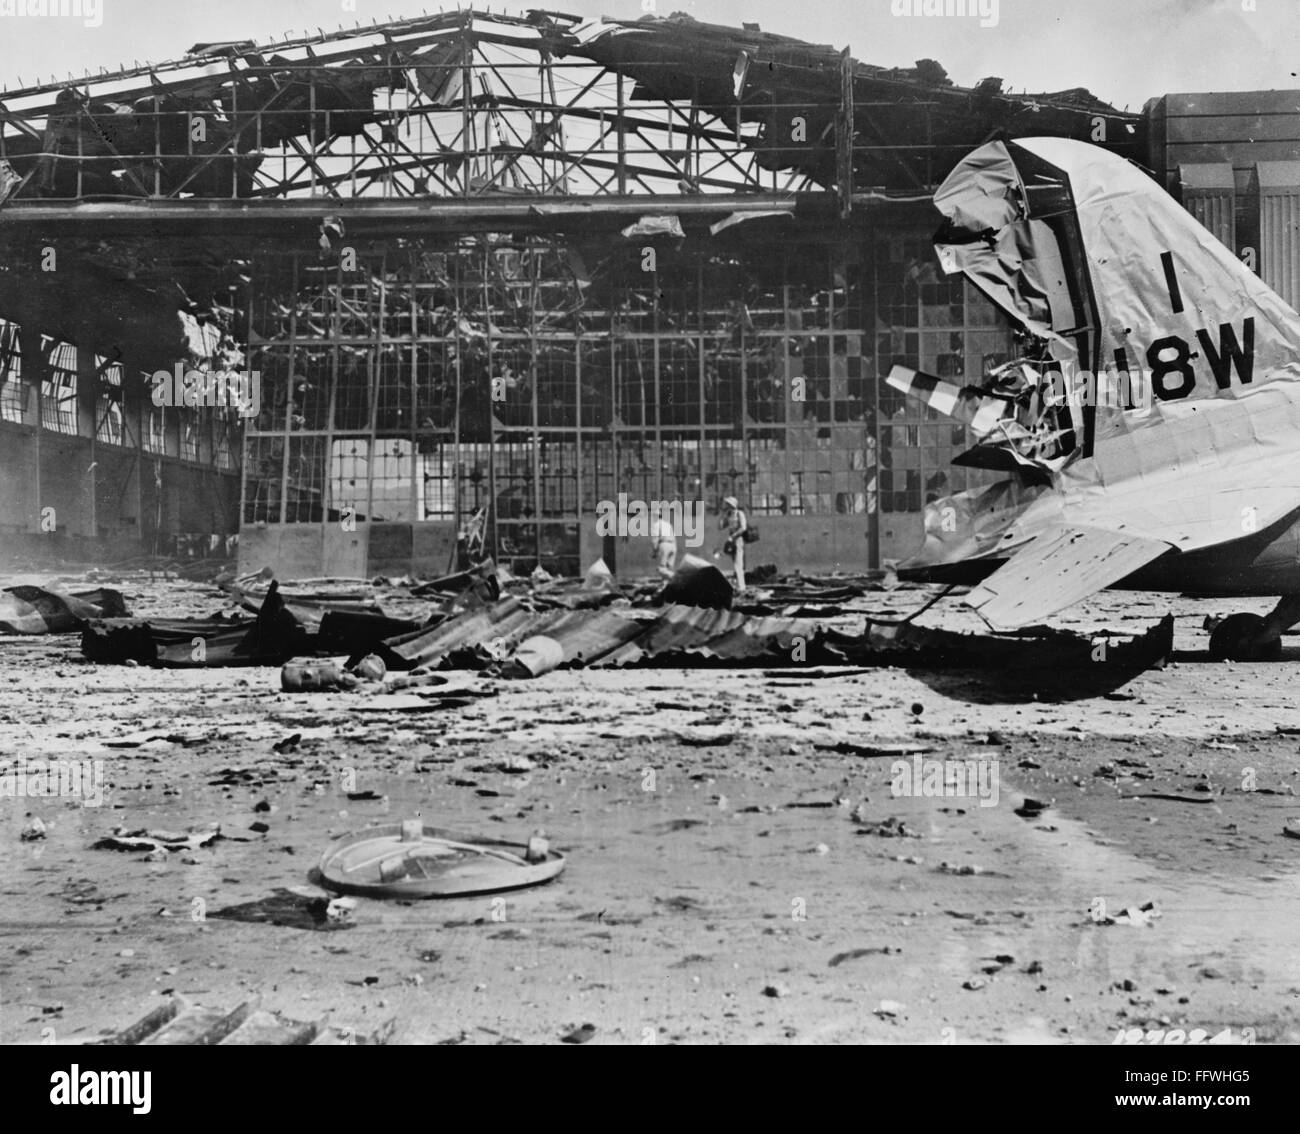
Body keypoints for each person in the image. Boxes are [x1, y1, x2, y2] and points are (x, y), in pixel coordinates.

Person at [718, 496, 748, 594]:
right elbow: (721, 527)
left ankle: (741, 587)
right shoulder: (729, 515)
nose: (726, 506)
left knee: (738, 563)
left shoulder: (740, 514)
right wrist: (722, 516)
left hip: (738, 539)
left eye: (728, 504)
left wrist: (733, 536)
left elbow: (743, 527)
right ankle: (740, 585)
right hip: (731, 541)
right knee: (735, 563)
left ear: (732, 504)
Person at [651, 511, 678, 579]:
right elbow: (674, 538)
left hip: (665, 545)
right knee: (669, 567)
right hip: (673, 546)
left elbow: (655, 540)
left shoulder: (656, 525)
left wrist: (655, 552)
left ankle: (675, 577)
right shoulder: (668, 524)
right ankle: (668, 583)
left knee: (662, 569)